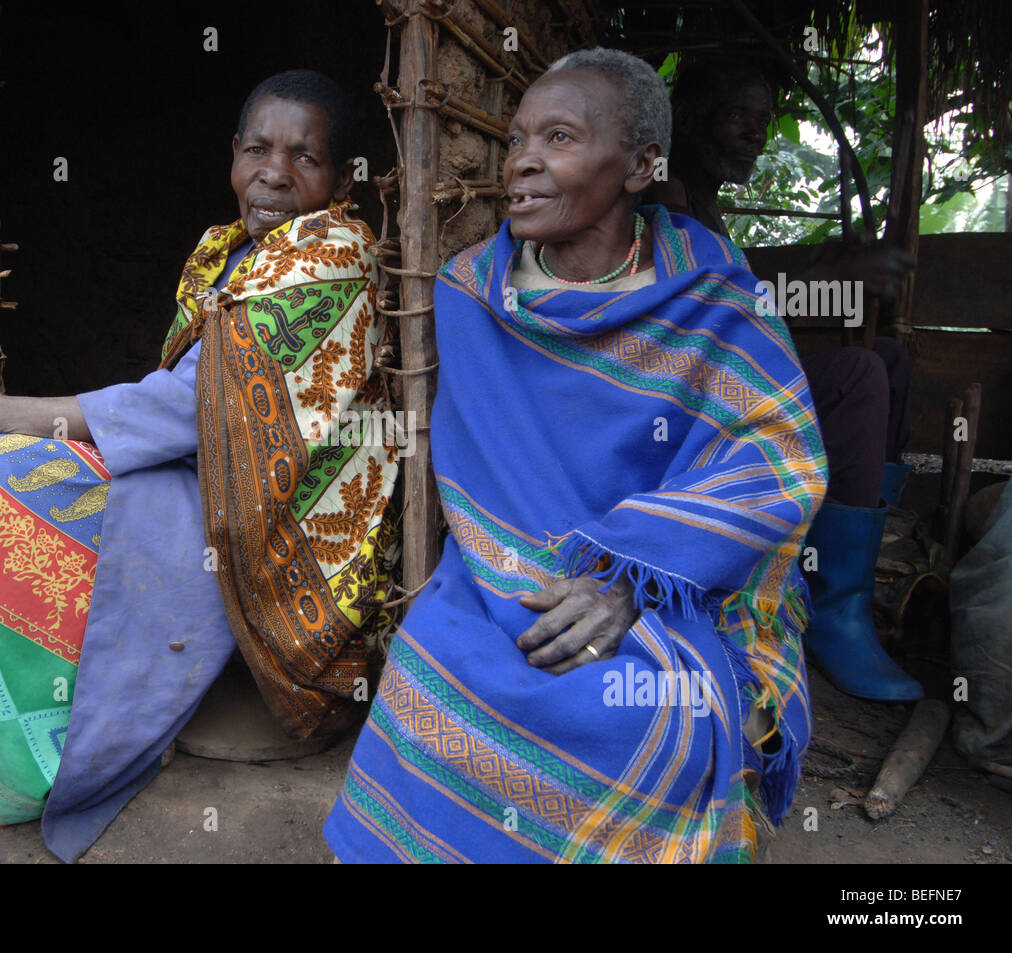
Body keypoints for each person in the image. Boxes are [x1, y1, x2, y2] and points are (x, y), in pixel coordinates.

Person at [0, 69, 399, 862]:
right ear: (232, 153)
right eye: (258, 147)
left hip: (285, 536)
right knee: (1, 471)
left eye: (307, 157)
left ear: (339, 181)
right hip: (217, 486)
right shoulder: (230, 253)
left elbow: (185, 408)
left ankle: (66, 749)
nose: (276, 171)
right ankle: (45, 734)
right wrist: (6, 426)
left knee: (12, 479)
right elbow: (185, 408)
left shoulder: (332, 257)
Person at [323, 48, 828, 863]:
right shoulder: (470, 293)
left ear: (640, 166)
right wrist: (523, 575)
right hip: (499, 571)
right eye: (519, 138)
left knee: (649, 709)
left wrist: (630, 578)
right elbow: (490, 476)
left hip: (675, 579)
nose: (521, 160)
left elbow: (775, 458)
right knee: (433, 666)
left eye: (557, 138)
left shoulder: (715, 298)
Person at [648, 54, 921, 702]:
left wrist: (824, 267)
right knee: (857, 376)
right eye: (738, 116)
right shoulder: (662, 189)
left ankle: (847, 580)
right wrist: (824, 283)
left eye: (763, 120)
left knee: (888, 357)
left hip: (724, 377)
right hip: (684, 394)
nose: (755, 133)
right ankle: (833, 611)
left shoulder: (702, 197)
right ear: (687, 116)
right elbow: (707, 302)